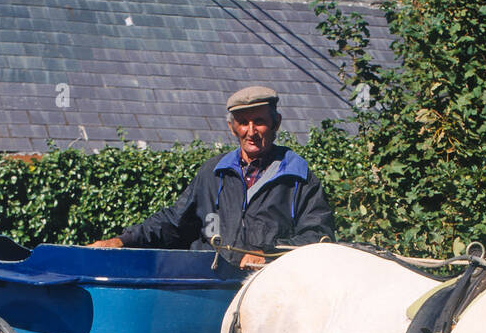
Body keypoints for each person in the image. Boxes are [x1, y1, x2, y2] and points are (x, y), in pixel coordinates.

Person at [90, 86, 335, 270]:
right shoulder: (212, 172)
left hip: (267, 293)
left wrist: (267, 254)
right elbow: (174, 222)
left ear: (276, 123)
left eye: (259, 122)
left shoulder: (299, 178)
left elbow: (318, 236)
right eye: (243, 123)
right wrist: (123, 241)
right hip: (211, 286)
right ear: (232, 128)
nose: (250, 132)